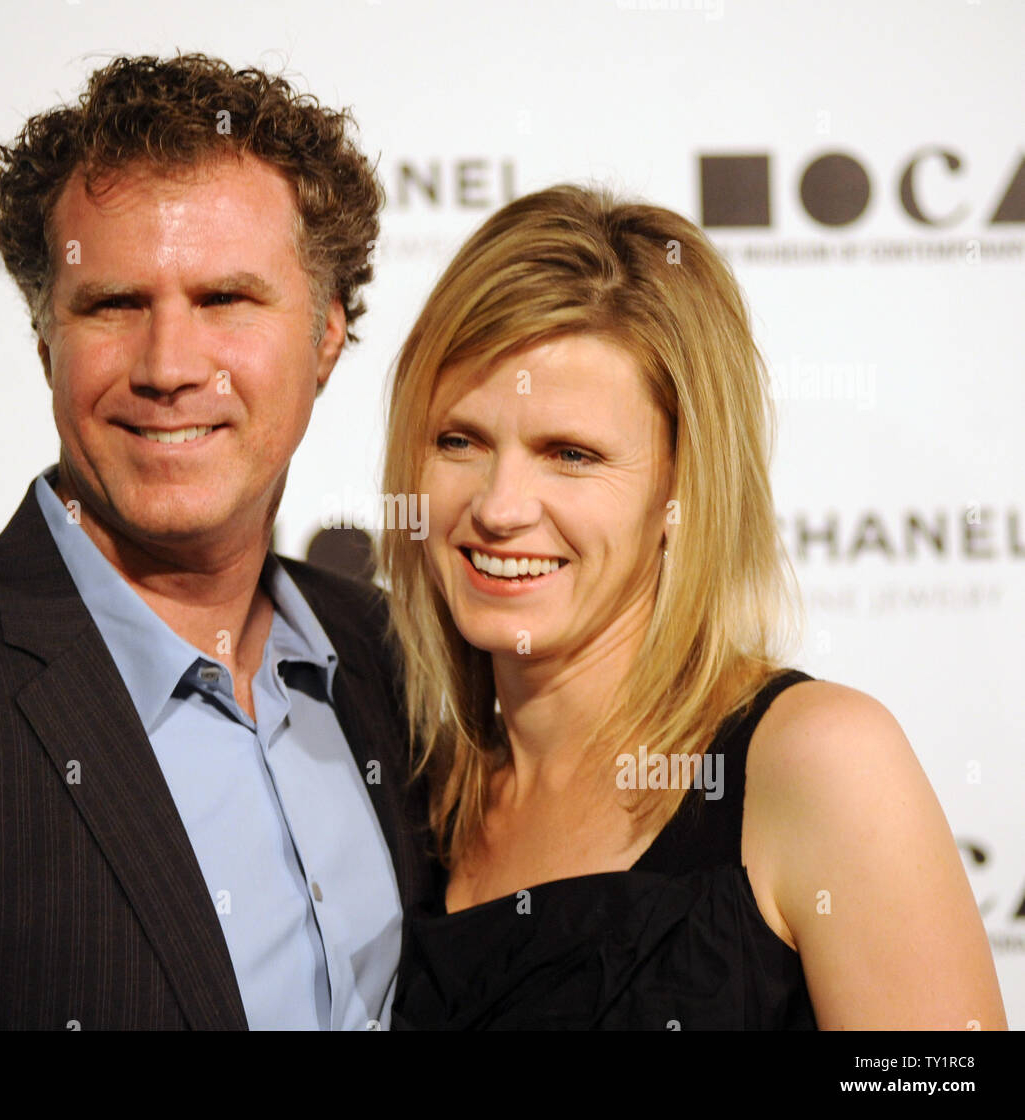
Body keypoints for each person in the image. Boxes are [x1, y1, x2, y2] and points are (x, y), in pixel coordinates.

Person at [0, 53, 431, 1030]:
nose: (169, 365)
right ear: (42, 335)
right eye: (113, 304)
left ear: (325, 334)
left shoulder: (406, 668)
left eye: (224, 298)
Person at [380, 183, 1006, 1030]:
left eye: (571, 454)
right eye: (460, 441)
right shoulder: (415, 795)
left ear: (682, 491)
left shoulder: (816, 762)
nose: (499, 506)